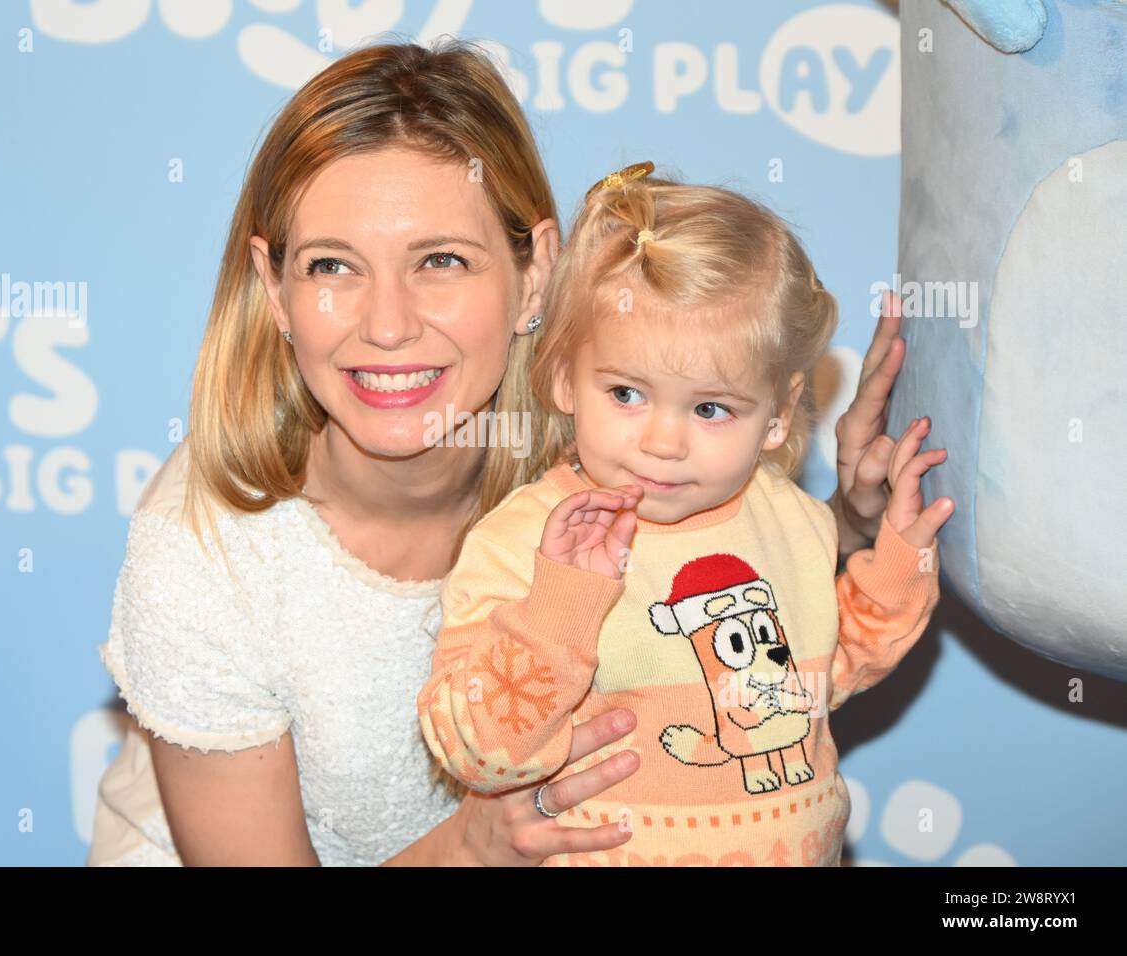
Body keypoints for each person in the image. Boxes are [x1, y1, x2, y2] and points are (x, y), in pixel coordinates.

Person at [87, 40, 911, 867]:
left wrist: (852, 520)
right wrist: (471, 849)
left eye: (440, 260)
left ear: (535, 274)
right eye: (332, 265)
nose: (387, 324)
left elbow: (730, 579)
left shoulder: (615, 425)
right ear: (275, 290)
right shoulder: (203, 547)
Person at [417, 164, 954, 866]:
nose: (663, 442)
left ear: (778, 414)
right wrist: (563, 602)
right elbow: (476, 751)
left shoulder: (788, 519)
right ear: (562, 377)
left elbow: (825, 676)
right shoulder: (521, 543)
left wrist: (898, 562)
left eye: (709, 408)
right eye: (627, 394)